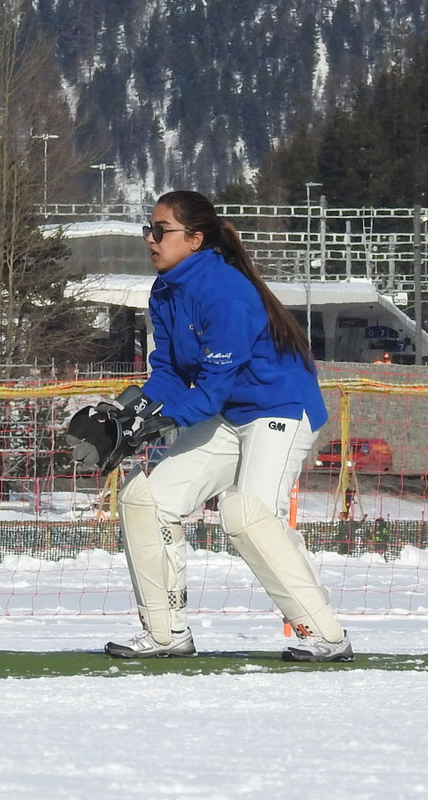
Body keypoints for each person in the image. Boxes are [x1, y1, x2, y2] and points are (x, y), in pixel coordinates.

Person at [108, 190, 352, 663]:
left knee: (246, 513)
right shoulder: (166, 289)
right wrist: (127, 414)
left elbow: (213, 388)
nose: (151, 240)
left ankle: (326, 636)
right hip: (228, 413)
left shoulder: (226, 292)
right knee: (145, 498)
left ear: (195, 239)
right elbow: (169, 372)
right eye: (148, 230)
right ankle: (165, 633)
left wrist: (155, 424)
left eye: (161, 231)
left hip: (278, 408)